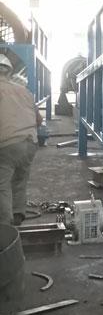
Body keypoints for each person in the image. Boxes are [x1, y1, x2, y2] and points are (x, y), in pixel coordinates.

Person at [0, 54, 40, 227]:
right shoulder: (24, 91)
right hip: (30, 143)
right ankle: (17, 216)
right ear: (9, 72)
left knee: (2, 185)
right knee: (19, 181)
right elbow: (38, 120)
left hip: (7, 145)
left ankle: (4, 227)